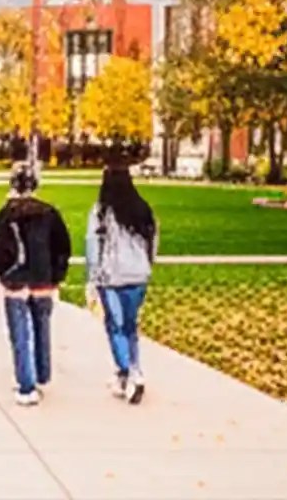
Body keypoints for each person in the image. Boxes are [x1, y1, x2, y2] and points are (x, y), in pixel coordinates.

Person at [0, 162, 71, 406]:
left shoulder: (7, 214)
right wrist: (56, 275)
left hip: (16, 280)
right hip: (43, 278)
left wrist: (4, 272)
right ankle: (42, 372)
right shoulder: (49, 214)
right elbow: (61, 247)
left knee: (20, 333)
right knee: (41, 327)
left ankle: (27, 384)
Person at [85, 164, 158, 405]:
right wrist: (147, 265)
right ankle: (133, 368)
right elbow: (153, 241)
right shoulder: (143, 209)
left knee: (115, 326)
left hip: (112, 276)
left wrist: (93, 278)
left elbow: (93, 246)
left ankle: (126, 372)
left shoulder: (101, 212)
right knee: (130, 326)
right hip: (138, 275)